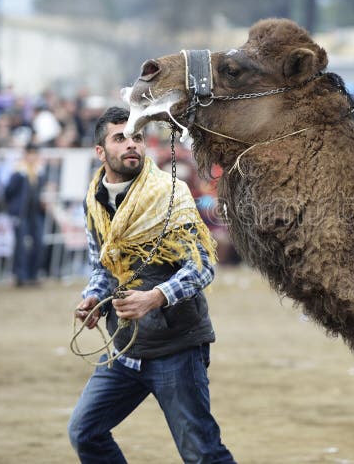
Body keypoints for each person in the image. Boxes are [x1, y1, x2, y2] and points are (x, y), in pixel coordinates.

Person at [68, 106, 234, 464]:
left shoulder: (169, 194)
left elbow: (203, 266)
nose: (131, 144)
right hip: (125, 346)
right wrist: (94, 296)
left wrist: (155, 298)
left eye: (137, 138)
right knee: (85, 432)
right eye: (120, 138)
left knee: (202, 453)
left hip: (176, 346)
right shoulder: (94, 201)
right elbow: (102, 265)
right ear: (101, 152)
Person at [4, 143, 46, 287]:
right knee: (21, 245)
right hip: (21, 213)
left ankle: (32, 274)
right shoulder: (19, 171)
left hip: (34, 212)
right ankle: (20, 275)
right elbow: (8, 191)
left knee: (39, 242)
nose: (33, 157)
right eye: (31, 153)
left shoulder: (38, 172)